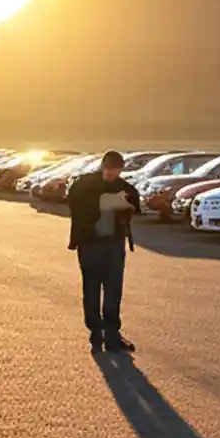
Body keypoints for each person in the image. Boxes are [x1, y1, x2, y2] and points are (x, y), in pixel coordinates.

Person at [67, 150, 140, 352]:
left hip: (114, 244)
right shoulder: (83, 184)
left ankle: (112, 335)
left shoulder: (123, 186)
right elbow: (75, 205)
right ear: (102, 166)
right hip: (90, 243)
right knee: (91, 288)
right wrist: (106, 202)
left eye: (116, 171)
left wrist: (127, 203)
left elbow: (136, 202)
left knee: (113, 289)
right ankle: (95, 333)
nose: (111, 174)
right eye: (108, 169)